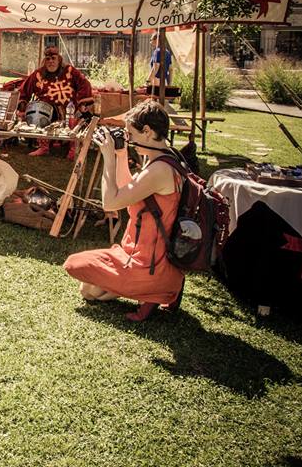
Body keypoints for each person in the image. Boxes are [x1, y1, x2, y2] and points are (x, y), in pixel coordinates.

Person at [63, 100, 185, 322]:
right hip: (140, 255)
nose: (128, 139)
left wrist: (108, 158)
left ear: (147, 132)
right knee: (88, 290)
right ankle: (153, 289)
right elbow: (129, 194)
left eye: (131, 134)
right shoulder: (164, 159)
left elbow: (110, 204)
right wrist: (121, 155)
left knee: (73, 264)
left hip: (148, 264)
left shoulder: (159, 170)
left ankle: (154, 290)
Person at [18, 46, 94, 158]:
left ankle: (74, 147)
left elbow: (84, 83)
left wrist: (82, 102)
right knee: (38, 113)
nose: (51, 61)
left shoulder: (69, 71)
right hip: (47, 108)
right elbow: (24, 89)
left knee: (79, 116)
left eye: (53, 58)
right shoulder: (38, 74)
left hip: (70, 107)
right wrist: (23, 105)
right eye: (48, 59)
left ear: (59, 59)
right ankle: (43, 147)